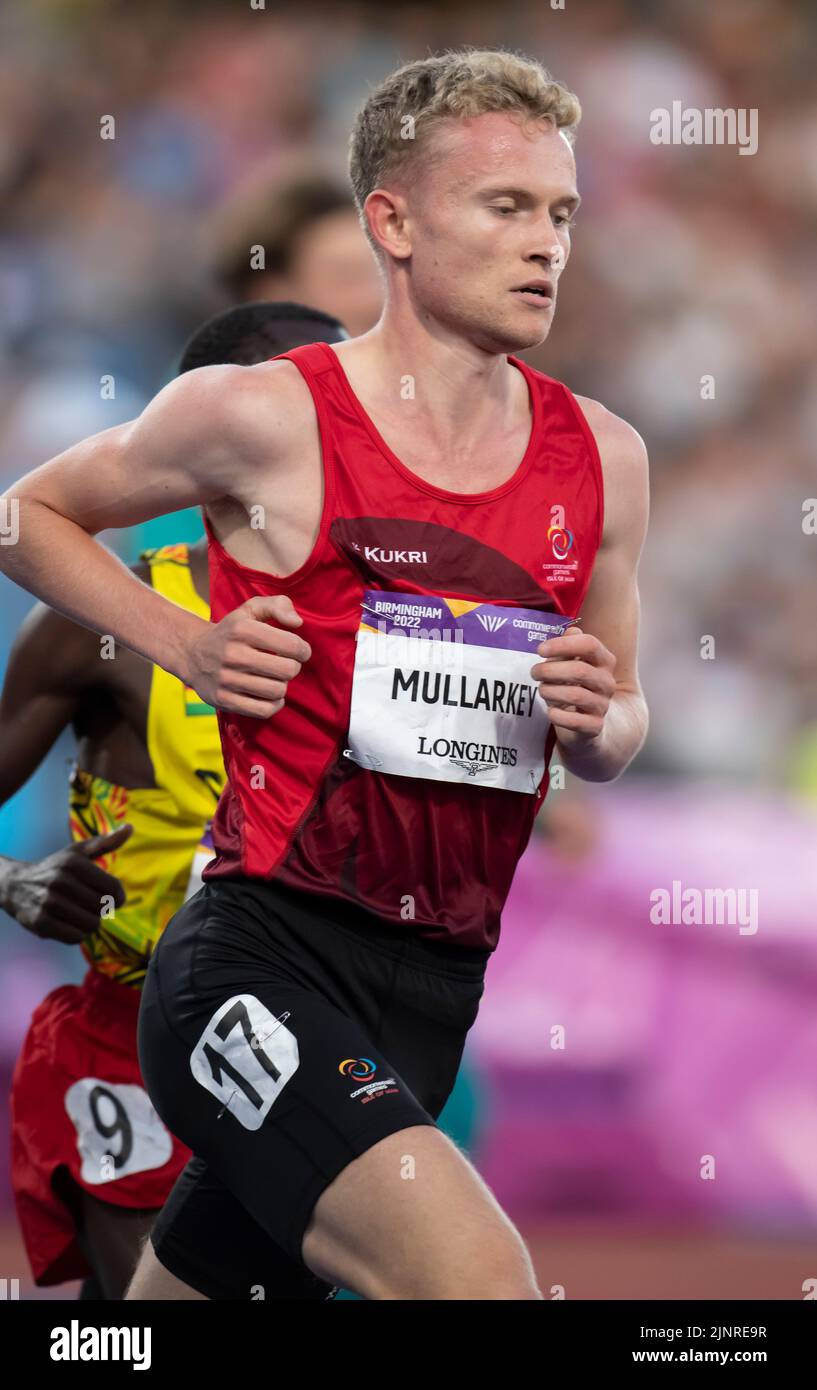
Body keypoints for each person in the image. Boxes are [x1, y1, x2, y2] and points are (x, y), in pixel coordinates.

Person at [0, 48, 649, 1301]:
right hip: (254, 955)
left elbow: (617, 718)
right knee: (480, 1287)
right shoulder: (265, 415)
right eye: (505, 207)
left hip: (435, 989)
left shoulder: (605, 457)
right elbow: (25, 515)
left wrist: (601, 720)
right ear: (391, 223)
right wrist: (180, 640)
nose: (546, 246)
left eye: (561, 213)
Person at [2, 302, 347, 1300]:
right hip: (135, 1041)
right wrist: (11, 878)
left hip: (319, 1039)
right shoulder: (98, 626)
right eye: (305, 409)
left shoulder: (396, 623)